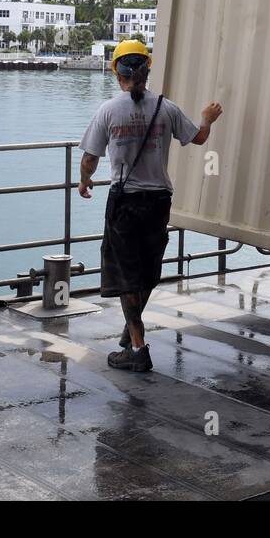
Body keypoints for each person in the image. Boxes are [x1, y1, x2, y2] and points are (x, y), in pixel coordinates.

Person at [78, 39, 222, 372]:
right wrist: (207, 118)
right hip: (159, 201)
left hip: (125, 202)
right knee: (148, 269)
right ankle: (133, 330)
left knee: (127, 273)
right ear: (147, 70)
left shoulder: (108, 110)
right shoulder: (166, 108)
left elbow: (90, 158)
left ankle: (138, 349)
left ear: (118, 74)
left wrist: (84, 181)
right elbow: (198, 138)